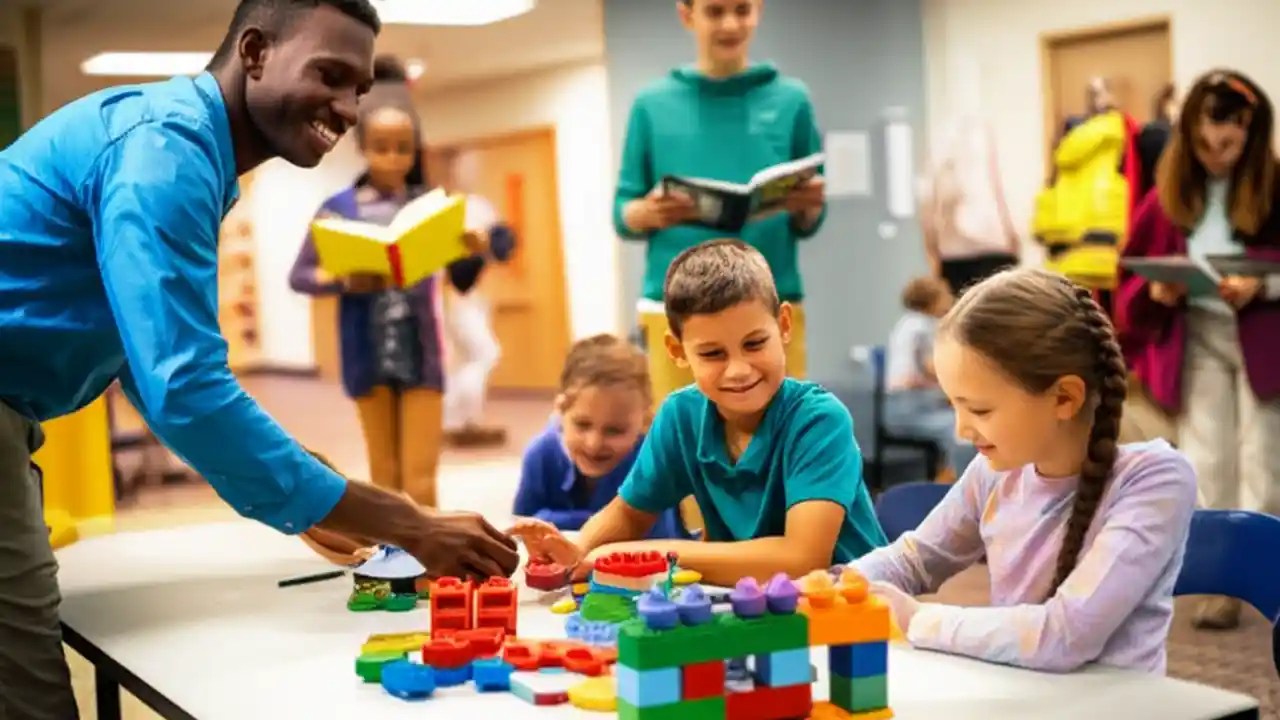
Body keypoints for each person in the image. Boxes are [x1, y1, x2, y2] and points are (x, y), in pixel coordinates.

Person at [0, 3, 518, 716]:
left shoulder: (190, 153)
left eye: (359, 90)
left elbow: (149, 369)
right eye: (330, 75)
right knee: (29, 695)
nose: (345, 108)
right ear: (254, 52)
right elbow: (183, 389)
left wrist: (305, 492)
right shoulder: (167, 148)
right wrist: (409, 523)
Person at [855, 268, 1196, 674]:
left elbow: (1067, 634)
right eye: (954, 406)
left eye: (979, 410)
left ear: (1064, 398)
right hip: (1020, 699)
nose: (962, 431)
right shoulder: (993, 470)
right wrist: (839, 583)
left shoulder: (1157, 479)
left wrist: (915, 619)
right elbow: (916, 558)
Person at [511, 240, 886, 587]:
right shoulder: (681, 415)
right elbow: (629, 513)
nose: (739, 370)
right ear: (677, 351)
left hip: (853, 611)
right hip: (753, 607)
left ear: (783, 325)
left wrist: (655, 553)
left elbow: (802, 558)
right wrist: (581, 546)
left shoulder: (819, 421)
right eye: (712, 354)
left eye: (754, 344)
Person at [289, 55, 506, 508]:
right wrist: (344, 280)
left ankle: (429, 572)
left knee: (421, 479)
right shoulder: (337, 208)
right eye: (382, 146)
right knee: (385, 477)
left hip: (421, 351)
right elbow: (301, 275)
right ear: (363, 148)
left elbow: (461, 278)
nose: (393, 158)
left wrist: (472, 247)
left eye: (403, 148)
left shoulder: (433, 204)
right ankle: (394, 572)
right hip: (367, 353)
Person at [1116, 69, 1280, 630]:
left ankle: (1265, 578)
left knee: (1266, 463)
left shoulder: (1273, 187)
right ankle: (1223, 585)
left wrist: (1264, 286)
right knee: (1207, 461)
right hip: (1199, 336)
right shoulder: (1168, 196)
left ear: (1252, 135)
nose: (1216, 157)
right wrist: (1159, 290)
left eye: (1229, 145)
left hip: (1265, 341)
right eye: (1205, 144)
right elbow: (1130, 276)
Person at [614, 0, 827, 408]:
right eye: (715, 11)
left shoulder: (791, 99)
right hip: (675, 308)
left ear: (758, 10)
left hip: (770, 298)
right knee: (684, 442)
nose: (730, 23)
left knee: (780, 439)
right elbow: (623, 210)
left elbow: (810, 220)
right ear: (686, 14)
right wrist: (646, 211)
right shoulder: (650, 105)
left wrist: (806, 204)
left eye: (742, 10)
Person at [512, 334, 686, 539]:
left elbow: (654, 543)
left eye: (615, 430)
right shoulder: (541, 454)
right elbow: (521, 527)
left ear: (646, 422)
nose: (594, 444)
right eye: (582, 425)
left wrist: (551, 519)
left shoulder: (652, 461)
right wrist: (606, 523)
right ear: (561, 410)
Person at [884, 276, 976, 480]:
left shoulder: (906, 324)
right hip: (911, 408)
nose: (951, 299)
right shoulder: (924, 327)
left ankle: (947, 475)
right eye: (945, 295)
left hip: (899, 406)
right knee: (964, 430)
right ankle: (960, 485)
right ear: (932, 299)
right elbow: (934, 368)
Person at [443, 191, 515, 448]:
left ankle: (462, 420)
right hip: (457, 300)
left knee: (464, 359)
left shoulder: (480, 219)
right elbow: (460, 278)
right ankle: (457, 419)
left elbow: (503, 247)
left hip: (466, 299)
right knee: (486, 353)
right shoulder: (456, 233)